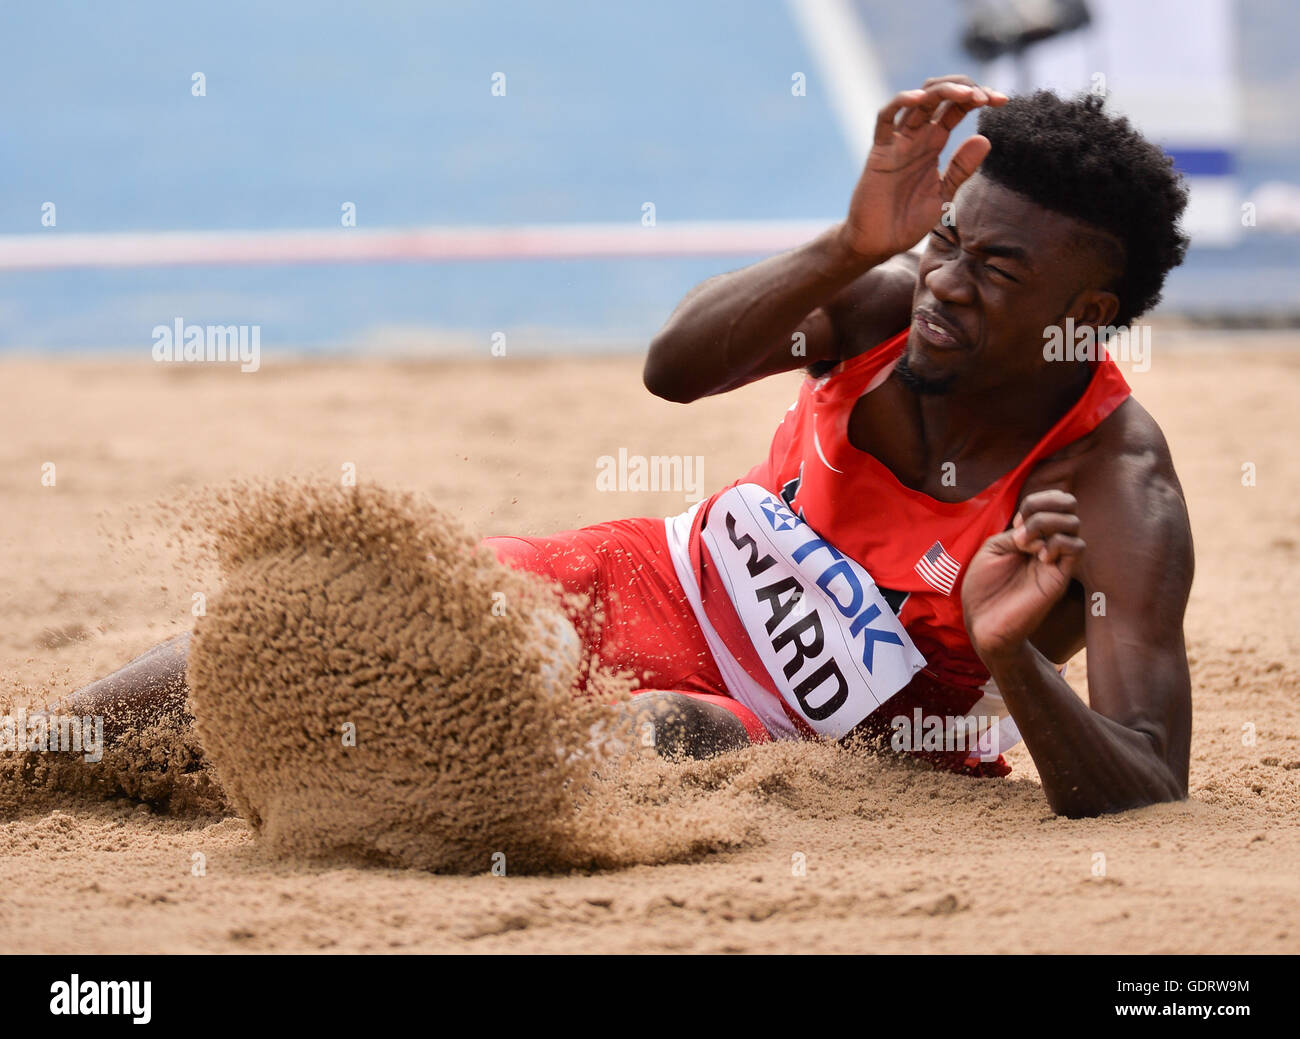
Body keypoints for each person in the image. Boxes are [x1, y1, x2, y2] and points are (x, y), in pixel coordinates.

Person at [64, 76, 1194, 818]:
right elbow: (674, 370)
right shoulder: (888, 302)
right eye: (948, 240)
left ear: (1085, 312)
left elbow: (1147, 784)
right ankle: (43, 757)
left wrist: (1016, 665)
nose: (945, 283)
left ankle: (353, 803)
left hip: (809, 737)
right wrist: (847, 248)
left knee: (667, 734)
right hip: (654, 575)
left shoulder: (1113, 488)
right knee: (377, 607)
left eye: (996, 274)